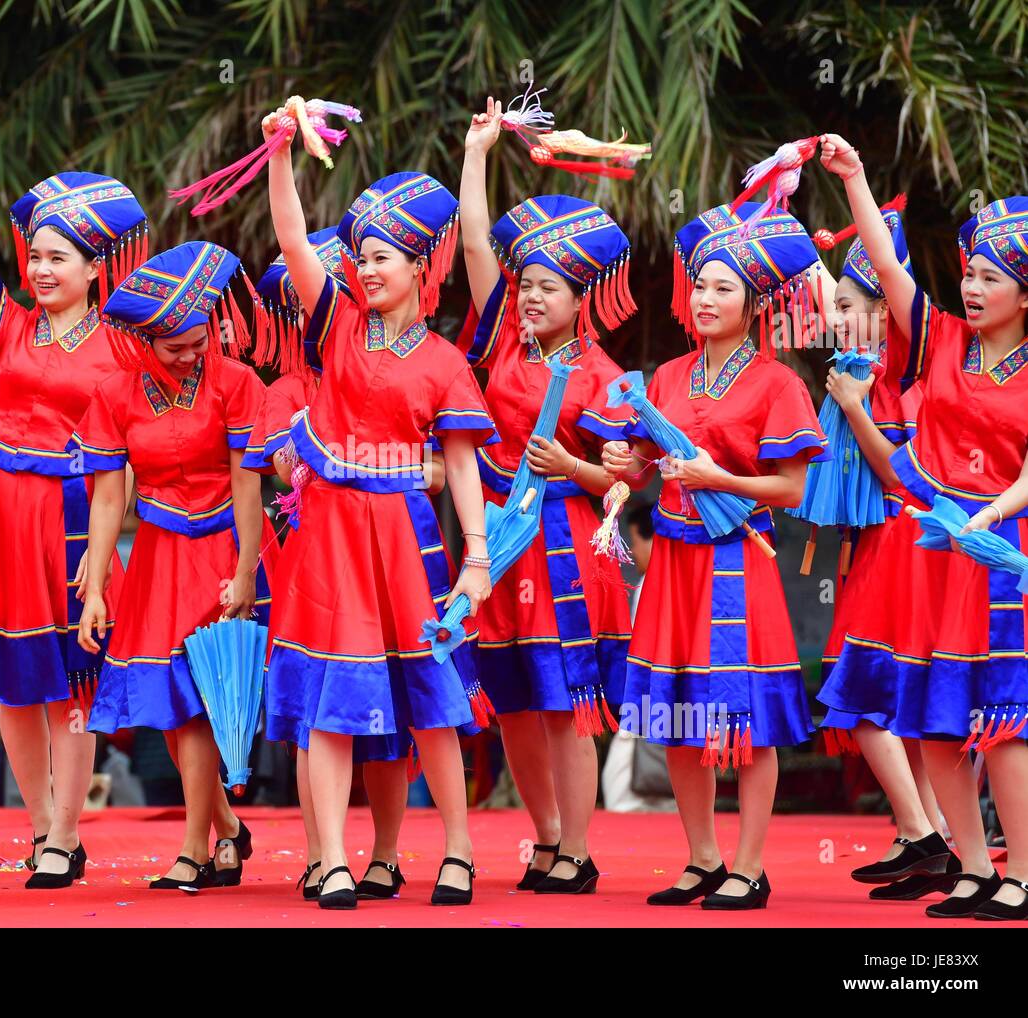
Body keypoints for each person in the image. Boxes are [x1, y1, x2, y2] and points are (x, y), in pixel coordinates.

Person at [0, 102, 150, 888]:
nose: (40, 269)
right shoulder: (7, 325)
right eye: (35, 254)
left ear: (95, 268)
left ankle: (67, 833)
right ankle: (41, 828)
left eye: (58, 258)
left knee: (71, 682)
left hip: (72, 521)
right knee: (12, 682)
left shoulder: (124, 346)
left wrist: (102, 561)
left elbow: (123, 466)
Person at [263, 105, 497, 909]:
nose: (365, 270)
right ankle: (331, 858)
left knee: (431, 700)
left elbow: (461, 465)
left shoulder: (444, 362)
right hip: (328, 532)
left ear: (421, 265)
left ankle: (458, 850)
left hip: (404, 536)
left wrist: (476, 558)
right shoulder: (337, 323)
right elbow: (293, 237)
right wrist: (280, 152)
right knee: (330, 698)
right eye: (359, 257)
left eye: (382, 258)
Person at [817, 133, 1028, 920]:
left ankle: (1020, 874)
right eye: (968, 274)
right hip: (932, 549)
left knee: (1002, 720)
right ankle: (970, 866)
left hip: (1000, 551)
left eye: (990, 278)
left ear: (1025, 295)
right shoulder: (938, 340)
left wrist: (993, 515)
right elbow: (885, 261)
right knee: (936, 719)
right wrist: (854, 177)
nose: (971, 287)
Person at [598, 200, 830, 910]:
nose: (704, 298)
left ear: (754, 304)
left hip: (740, 556)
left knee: (749, 720)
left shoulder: (779, 383)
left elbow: (792, 489)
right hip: (674, 559)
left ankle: (749, 866)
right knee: (675, 711)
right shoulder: (668, 377)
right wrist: (625, 462)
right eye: (699, 284)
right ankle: (702, 858)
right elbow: (646, 467)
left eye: (722, 288)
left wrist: (719, 479)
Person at [457, 97, 633, 894]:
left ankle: (580, 851)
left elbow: (625, 482)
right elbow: (473, 242)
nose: (530, 298)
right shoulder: (502, 340)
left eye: (547, 288)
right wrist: (478, 152)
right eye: (525, 283)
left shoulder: (602, 373)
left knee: (565, 706)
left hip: (566, 544)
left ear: (580, 297)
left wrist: (572, 465)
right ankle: (548, 835)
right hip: (500, 537)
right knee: (514, 703)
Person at [75, 241, 273, 890]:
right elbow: (109, 498)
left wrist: (247, 571)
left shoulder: (236, 382)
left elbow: (248, 484)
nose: (190, 355)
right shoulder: (114, 395)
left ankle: (193, 848)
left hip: (226, 545)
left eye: (199, 342)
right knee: (168, 702)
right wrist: (96, 586)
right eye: (174, 348)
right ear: (143, 342)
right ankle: (229, 828)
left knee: (201, 700)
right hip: (159, 554)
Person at [246, 229, 433, 901]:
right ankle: (323, 854)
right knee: (316, 709)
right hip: (317, 561)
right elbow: (281, 467)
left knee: (391, 707)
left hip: (393, 549)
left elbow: (439, 458)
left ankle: (385, 854)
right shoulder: (288, 388)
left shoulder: (400, 366)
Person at [809, 205, 951, 900]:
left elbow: (902, 477)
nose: (833, 318)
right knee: (897, 699)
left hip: (903, 543)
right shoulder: (867, 370)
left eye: (846, 306)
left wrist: (855, 407)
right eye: (832, 305)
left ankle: (923, 832)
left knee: (859, 695)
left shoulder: (908, 380)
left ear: (880, 310)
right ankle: (925, 839)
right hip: (880, 544)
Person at [601, 504, 675, 813]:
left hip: (651, 687)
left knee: (620, 791)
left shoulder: (653, 582)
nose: (632, 551)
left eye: (634, 541)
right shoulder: (667, 579)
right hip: (668, 688)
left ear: (653, 538)